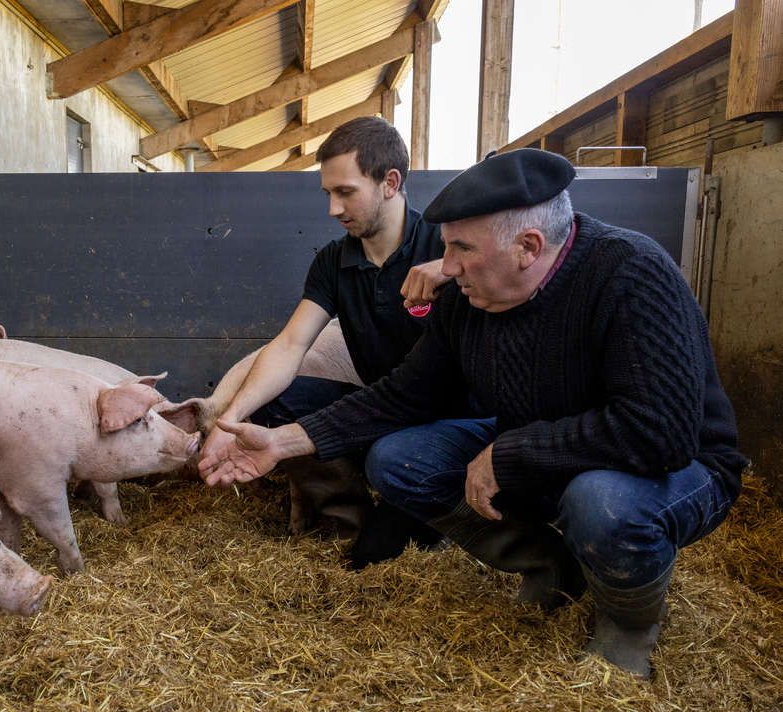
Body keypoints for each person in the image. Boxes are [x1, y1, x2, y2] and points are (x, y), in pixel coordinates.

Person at [199, 148, 746, 677]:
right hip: (544, 444)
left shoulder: (632, 275)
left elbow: (661, 433)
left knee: (601, 501)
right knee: (398, 460)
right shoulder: (467, 298)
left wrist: (509, 454)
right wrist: (282, 442)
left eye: (461, 249)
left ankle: (628, 622)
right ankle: (549, 563)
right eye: (446, 248)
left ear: (528, 248)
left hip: (676, 469)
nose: (448, 267)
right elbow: (403, 395)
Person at [200, 116, 451, 567]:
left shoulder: (445, 246)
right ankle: (346, 515)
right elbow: (290, 346)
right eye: (328, 194)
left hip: (444, 418)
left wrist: (453, 269)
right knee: (280, 399)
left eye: (346, 192)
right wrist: (229, 419)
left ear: (390, 182)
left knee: (384, 519)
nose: (333, 209)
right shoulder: (334, 262)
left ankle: (422, 511)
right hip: (379, 408)